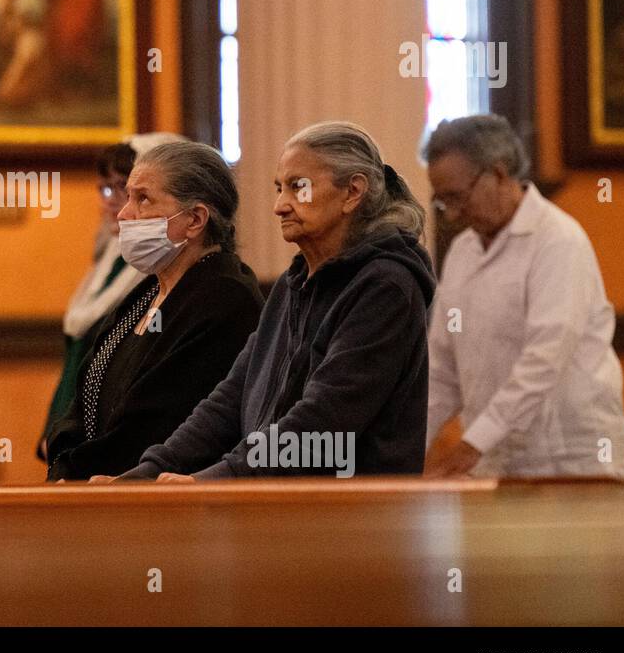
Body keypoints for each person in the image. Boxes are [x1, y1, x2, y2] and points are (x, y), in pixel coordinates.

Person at [109, 121, 435, 481]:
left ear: (352, 192)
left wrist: (217, 478)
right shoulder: (292, 284)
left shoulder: (385, 287)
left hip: (354, 519)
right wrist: (149, 471)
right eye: (280, 189)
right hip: (282, 508)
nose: (280, 206)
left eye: (299, 188)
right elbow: (229, 400)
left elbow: (323, 422)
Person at [422, 115, 624, 478]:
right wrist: (406, 446)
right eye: (442, 202)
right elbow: (442, 372)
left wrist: (472, 444)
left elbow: (545, 357)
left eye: (458, 197)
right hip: (496, 462)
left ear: (499, 174)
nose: (453, 214)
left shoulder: (558, 241)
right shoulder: (462, 253)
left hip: (571, 460)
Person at [45, 141, 264, 481]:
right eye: (127, 196)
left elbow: (158, 419)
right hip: (99, 487)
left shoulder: (225, 298)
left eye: (142, 198)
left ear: (194, 219)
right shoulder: (146, 292)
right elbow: (86, 386)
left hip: (161, 497)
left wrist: (79, 471)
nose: (124, 213)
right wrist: (65, 459)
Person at [36, 132, 186, 460]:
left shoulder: (161, 270)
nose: (113, 202)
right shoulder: (108, 262)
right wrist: (56, 430)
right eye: (109, 188)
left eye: (132, 191)